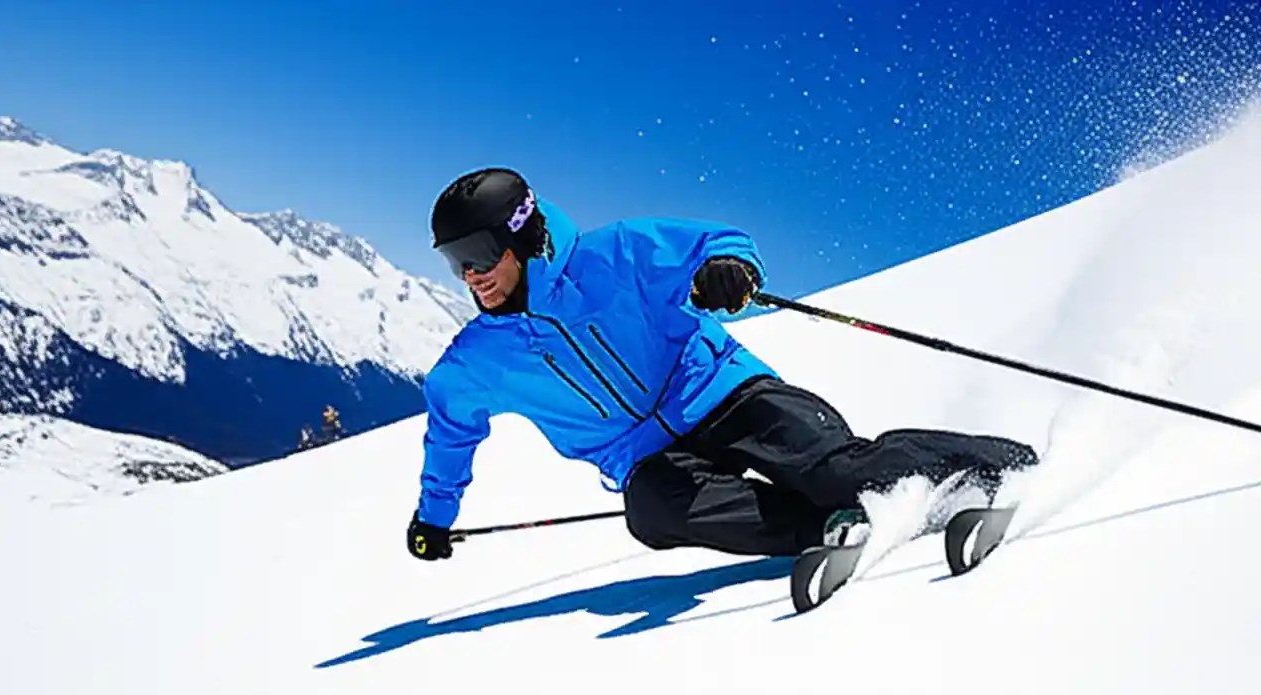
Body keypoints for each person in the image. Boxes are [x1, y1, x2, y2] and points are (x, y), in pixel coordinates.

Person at [406, 167, 1038, 561]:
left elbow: (717, 241)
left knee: (832, 470)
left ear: (521, 235)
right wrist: (434, 518)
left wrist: (727, 269)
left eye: (479, 252)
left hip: (723, 393)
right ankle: (825, 530)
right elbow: (450, 433)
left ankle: (1005, 466)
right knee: (651, 511)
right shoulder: (477, 360)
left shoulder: (616, 255)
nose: (470, 275)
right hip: (650, 458)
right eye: (454, 260)